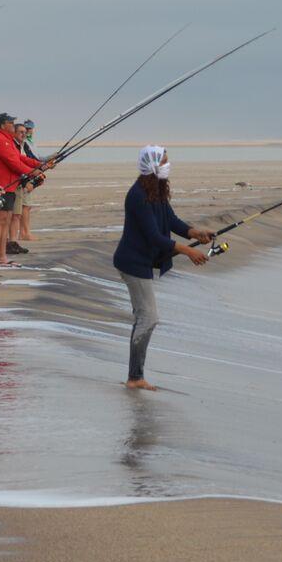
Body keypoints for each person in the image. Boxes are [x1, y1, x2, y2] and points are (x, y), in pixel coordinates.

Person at [109, 145, 216, 390]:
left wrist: (195, 232)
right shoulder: (137, 195)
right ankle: (135, 377)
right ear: (153, 165)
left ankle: (135, 376)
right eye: (165, 161)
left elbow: (172, 220)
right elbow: (154, 237)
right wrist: (188, 251)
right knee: (148, 318)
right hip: (131, 263)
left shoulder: (156, 189)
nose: (168, 165)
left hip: (142, 262)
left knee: (144, 317)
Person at [0, 112, 49, 267]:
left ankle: (2, 257)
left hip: (10, 186)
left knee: (5, 221)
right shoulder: (0, 140)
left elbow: (20, 158)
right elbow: (14, 163)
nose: (13, 125)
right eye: (11, 123)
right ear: (2, 125)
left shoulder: (8, 140)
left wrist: (38, 164)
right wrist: (33, 172)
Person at [9, 120, 41, 255]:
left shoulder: (25, 145)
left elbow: (30, 159)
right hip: (18, 183)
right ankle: (14, 239)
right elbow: (17, 164)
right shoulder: (15, 146)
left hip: (24, 180)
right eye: (22, 131)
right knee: (14, 214)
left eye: (27, 130)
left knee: (18, 213)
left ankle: (14, 241)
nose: (26, 133)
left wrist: (41, 166)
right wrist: (31, 176)